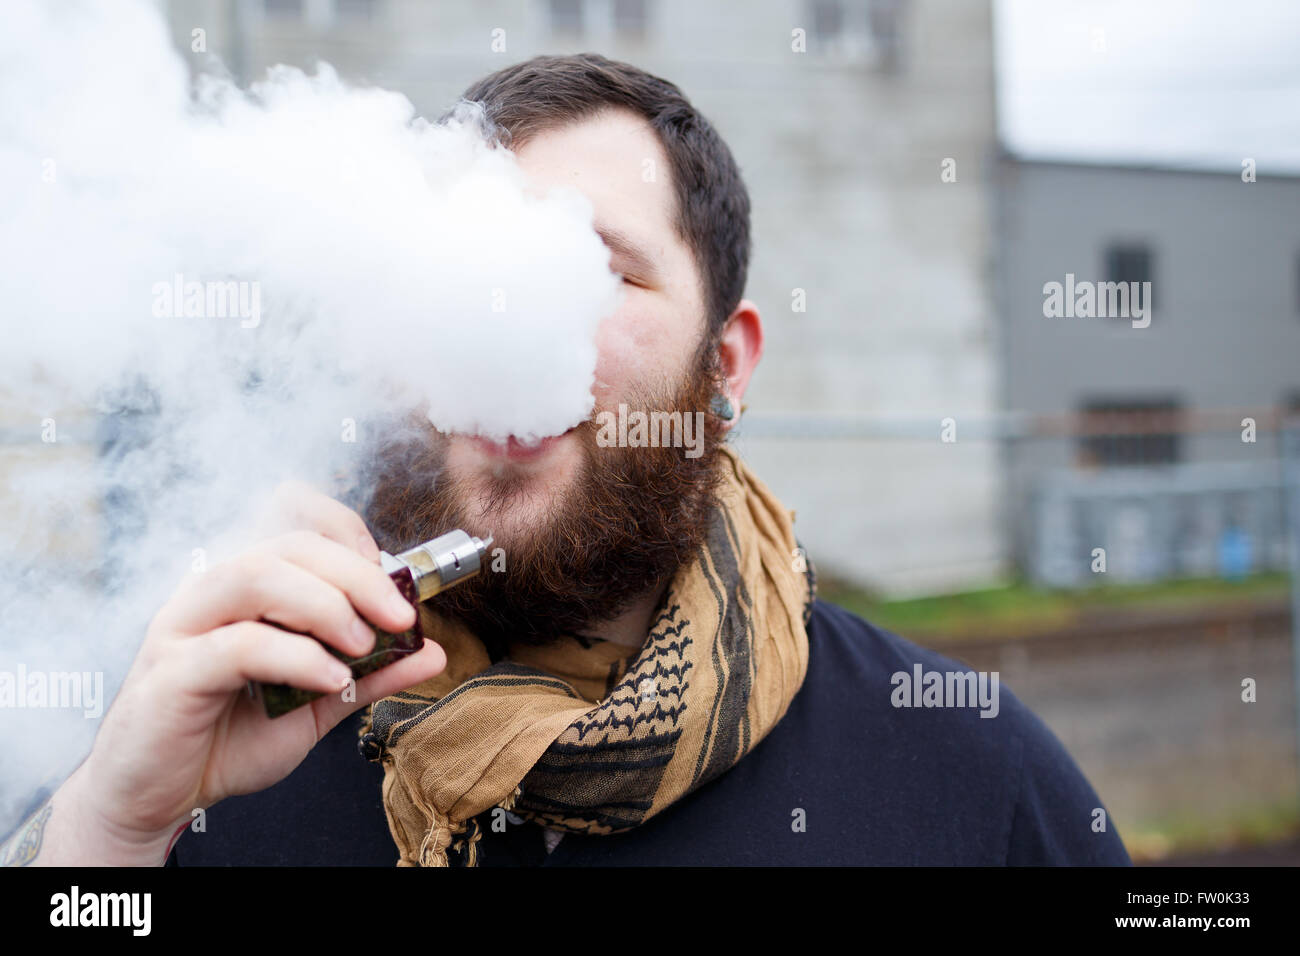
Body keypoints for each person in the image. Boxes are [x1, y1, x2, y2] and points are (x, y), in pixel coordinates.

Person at [0, 53, 1129, 867]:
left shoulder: (962, 773)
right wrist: (110, 833)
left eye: (596, 271)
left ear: (725, 365)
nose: (515, 320)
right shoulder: (223, 736)